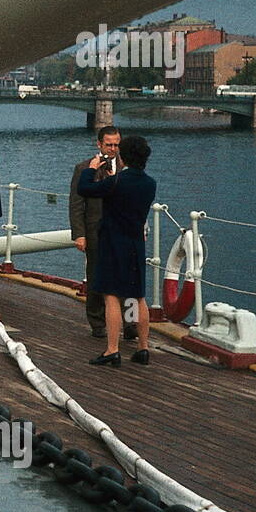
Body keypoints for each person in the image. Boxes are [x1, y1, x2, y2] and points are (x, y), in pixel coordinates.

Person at [78, 134, 156, 367]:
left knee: (111, 294)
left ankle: (112, 349)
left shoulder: (116, 182)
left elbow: (85, 189)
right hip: (135, 243)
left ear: (124, 156)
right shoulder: (150, 183)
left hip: (113, 242)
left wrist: (91, 169)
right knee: (138, 296)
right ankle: (143, 348)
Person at [69, 126, 136, 340]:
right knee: (96, 278)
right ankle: (97, 323)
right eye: (109, 144)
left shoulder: (129, 168)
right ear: (99, 144)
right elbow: (76, 204)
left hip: (123, 232)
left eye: (117, 144)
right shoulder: (83, 169)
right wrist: (79, 234)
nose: (113, 149)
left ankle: (130, 323)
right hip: (96, 231)